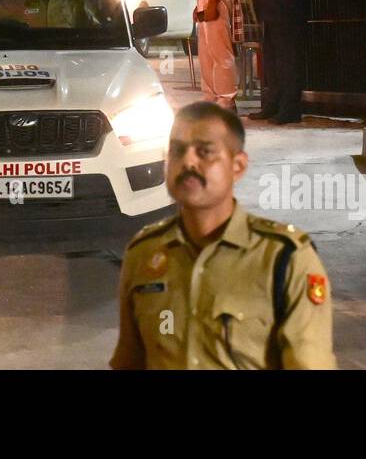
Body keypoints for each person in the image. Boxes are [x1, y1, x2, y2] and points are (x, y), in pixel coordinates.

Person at [110, 101, 336, 370]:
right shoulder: (143, 254)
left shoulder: (284, 259)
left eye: (205, 152)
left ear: (237, 166)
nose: (188, 161)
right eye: (177, 151)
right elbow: (130, 361)